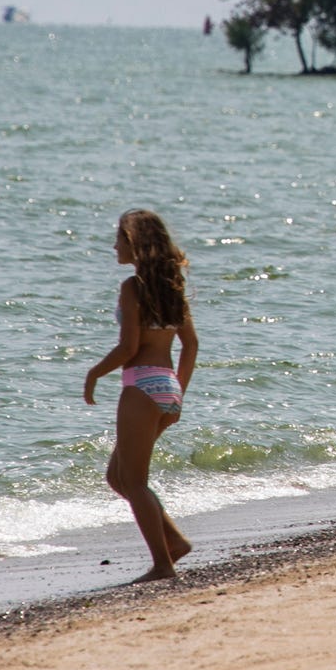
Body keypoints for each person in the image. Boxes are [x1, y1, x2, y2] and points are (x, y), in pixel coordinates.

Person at [81, 209, 199, 581]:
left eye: (118, 238)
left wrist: (94, 373)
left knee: (134, 482)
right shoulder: (172, 285)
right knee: (118, 477)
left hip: (141, 387)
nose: (113, 245)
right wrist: (178, 391)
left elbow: (129, 347)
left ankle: (163, 565)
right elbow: (190, 345)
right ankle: (175, 542)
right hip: (166, 385)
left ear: (134, 244)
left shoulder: (133, 287)